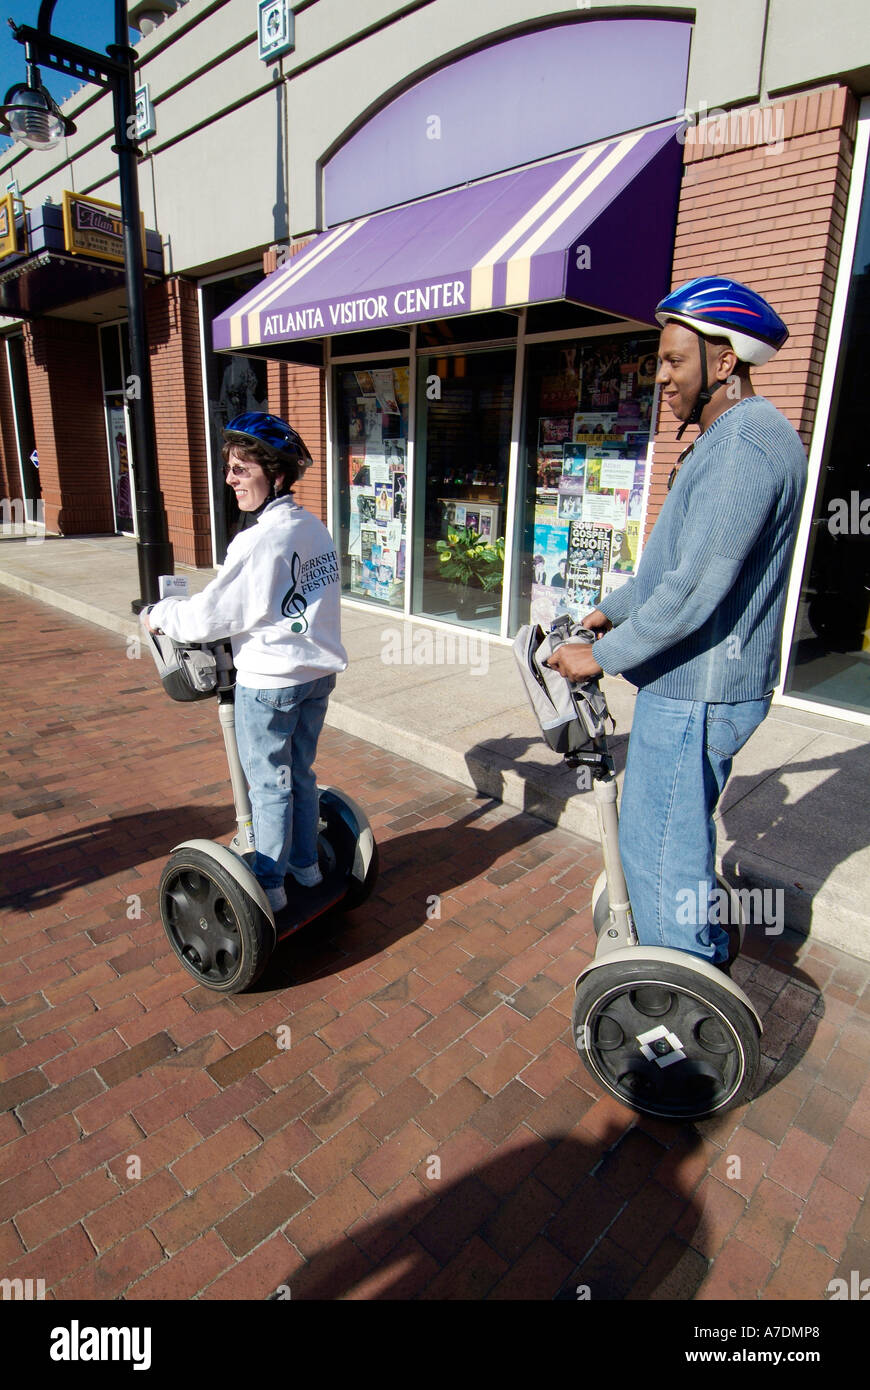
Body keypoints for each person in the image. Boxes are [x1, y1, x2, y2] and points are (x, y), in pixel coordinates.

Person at [546, 276, 807, 966]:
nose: (660, 377)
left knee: (659, 852)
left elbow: (696, 586)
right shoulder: (728, 438)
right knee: (668, 838)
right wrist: (606, 616)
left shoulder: (746, 445)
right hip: (694, 683)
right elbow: (668, 570)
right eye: (660, 361)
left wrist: (603, 657)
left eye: (674, 361)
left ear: (725, 363)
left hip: (700, 687)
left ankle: (678, 985)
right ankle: (693, 942)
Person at [144, 412, 346, 913]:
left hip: (271, 682)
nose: (230, 479)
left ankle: (270, 887)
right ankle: (308, 866)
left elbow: (210, 614)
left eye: (241, 468)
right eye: (229, 468)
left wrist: (160, 614)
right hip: (316, 676)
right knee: (300, 776)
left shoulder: (259, 540)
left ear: (274, 474)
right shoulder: (312, 526)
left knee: (269, 784)